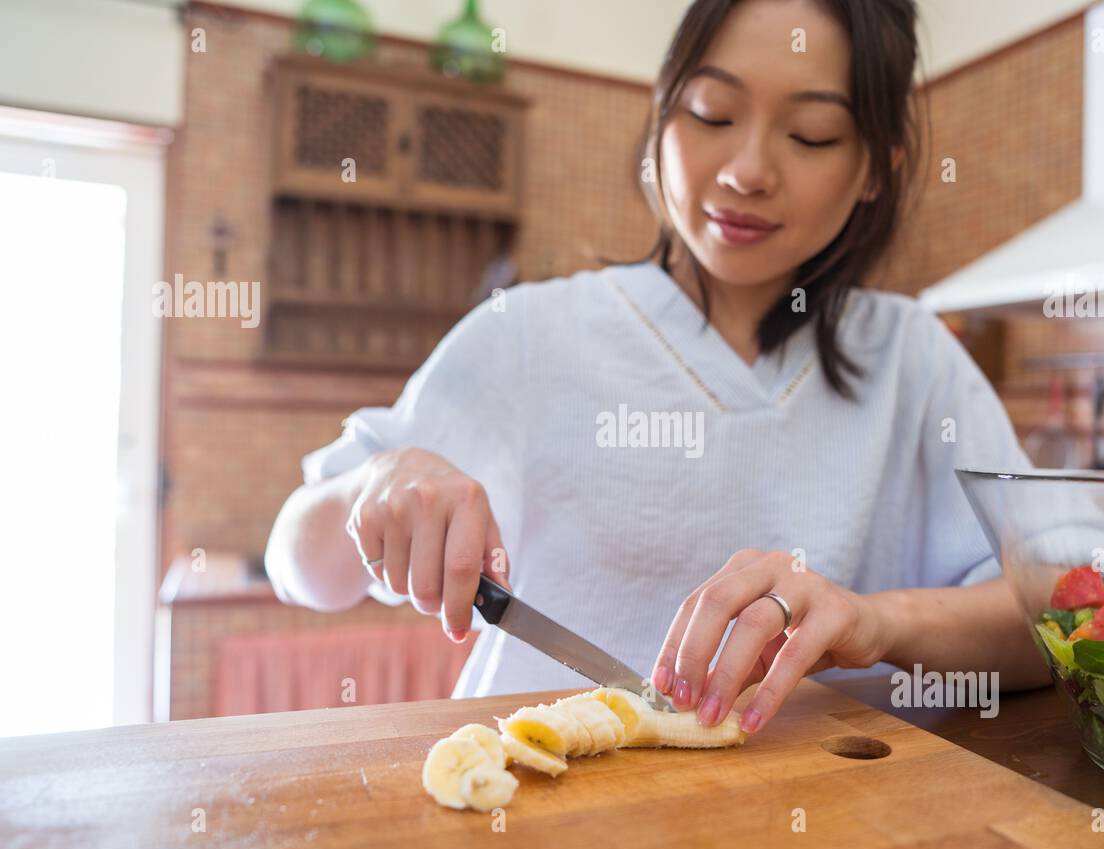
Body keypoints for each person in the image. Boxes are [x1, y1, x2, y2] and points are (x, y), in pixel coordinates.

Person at [264, 0, 1050, 738]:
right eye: (712, 113)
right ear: (663, 111)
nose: (747, 171)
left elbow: (1060, 615)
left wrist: (874, 622)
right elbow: (299, 566)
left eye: (810, 134)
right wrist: (376, 488)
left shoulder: (915, 358)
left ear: (877, 167)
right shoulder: (531, 333)